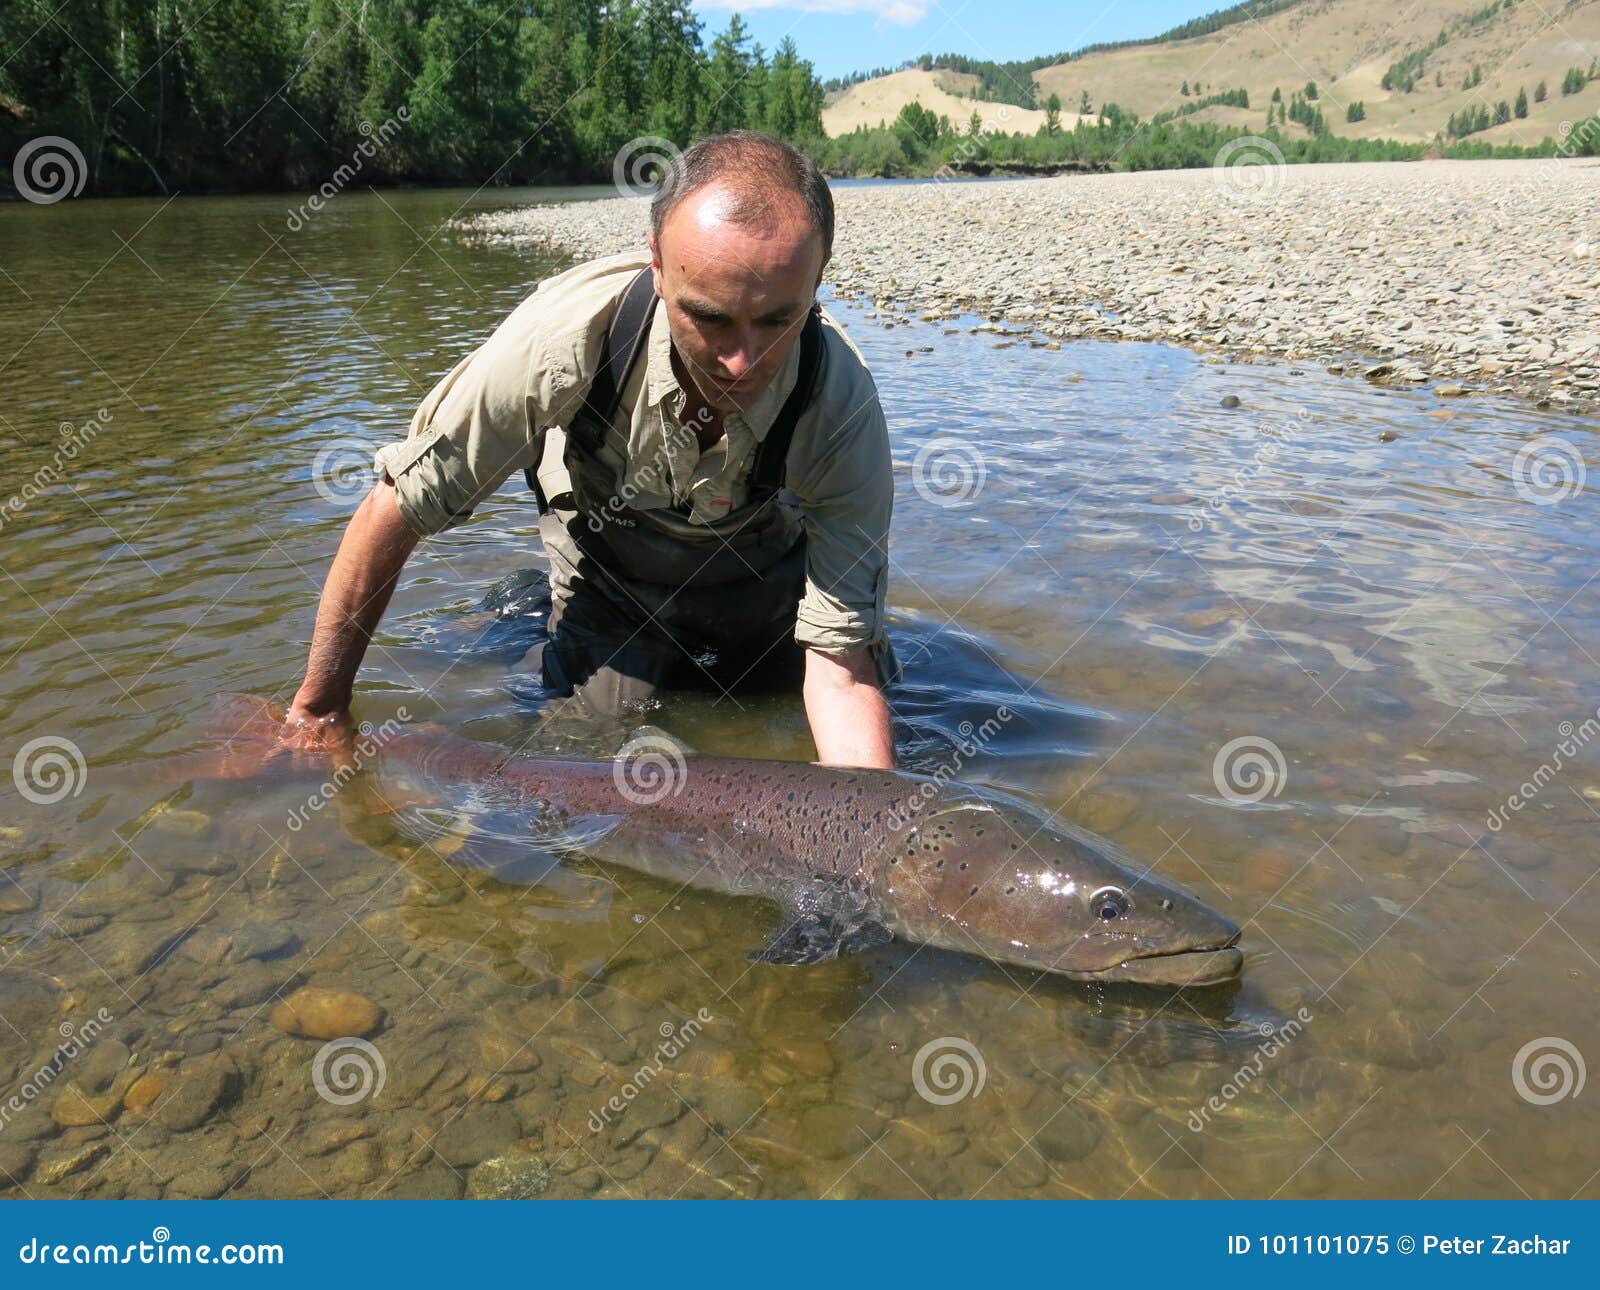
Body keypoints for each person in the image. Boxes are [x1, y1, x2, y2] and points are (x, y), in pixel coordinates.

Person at [280, 130, 899, 769]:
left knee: (836, 701)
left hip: (762, 574)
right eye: (711, 318)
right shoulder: (561, 344)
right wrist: (318, 710)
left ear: (818, 277)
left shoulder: (840, 404)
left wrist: (872, 815)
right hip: (610, 571)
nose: (743, 361)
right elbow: (396, 508)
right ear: (657, 266)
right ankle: (528, 611)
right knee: (582, 754)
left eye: (777, 320)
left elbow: (842, 672)